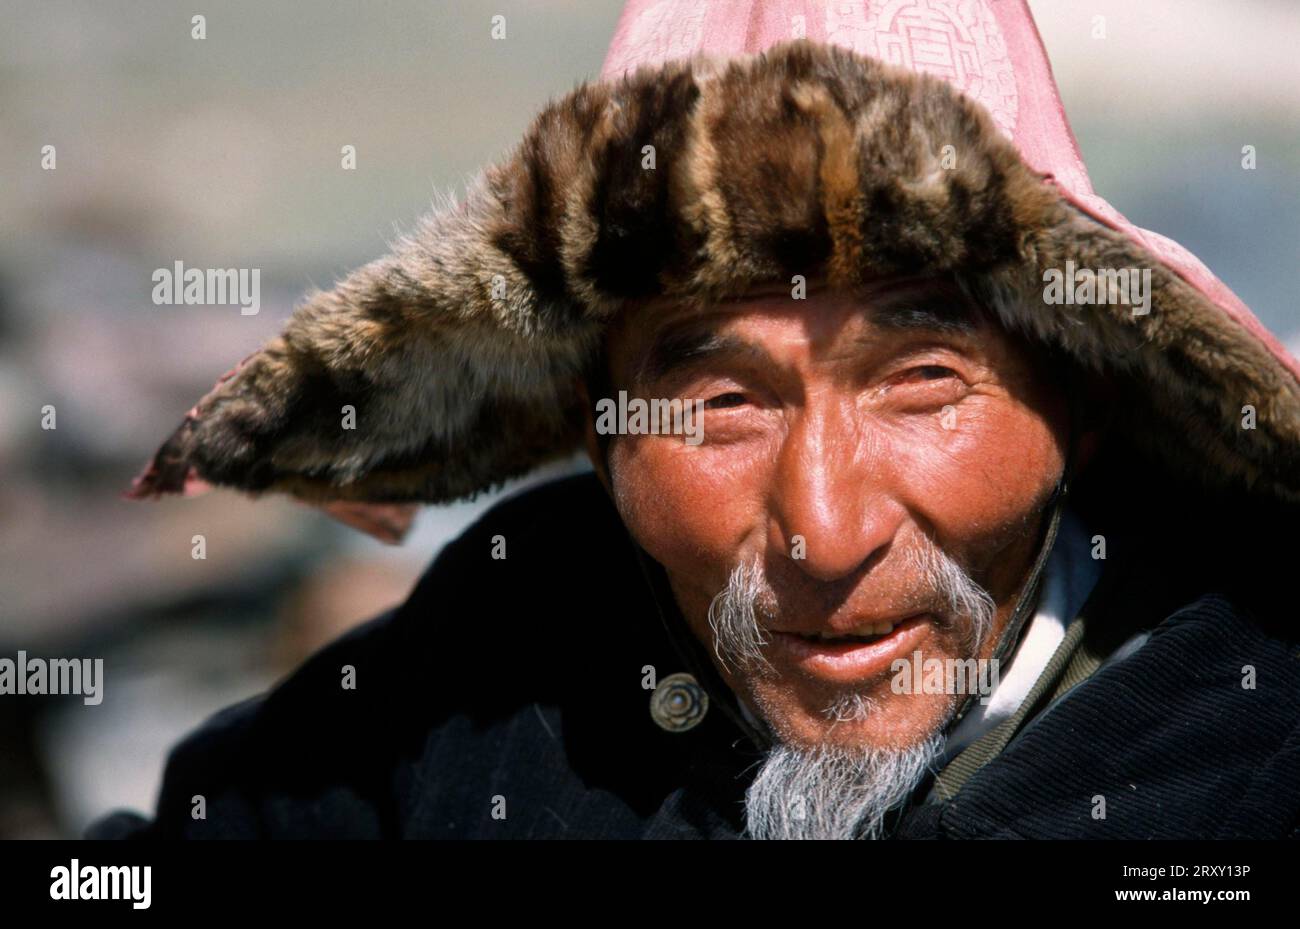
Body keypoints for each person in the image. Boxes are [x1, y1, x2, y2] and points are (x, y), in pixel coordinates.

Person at [93, 0, 1300, 839]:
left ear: (1080, 397)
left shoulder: (1247, 733)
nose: (822, 535)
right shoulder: (504, 664)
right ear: (599, 430)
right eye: (719, 403)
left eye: (923, 379)